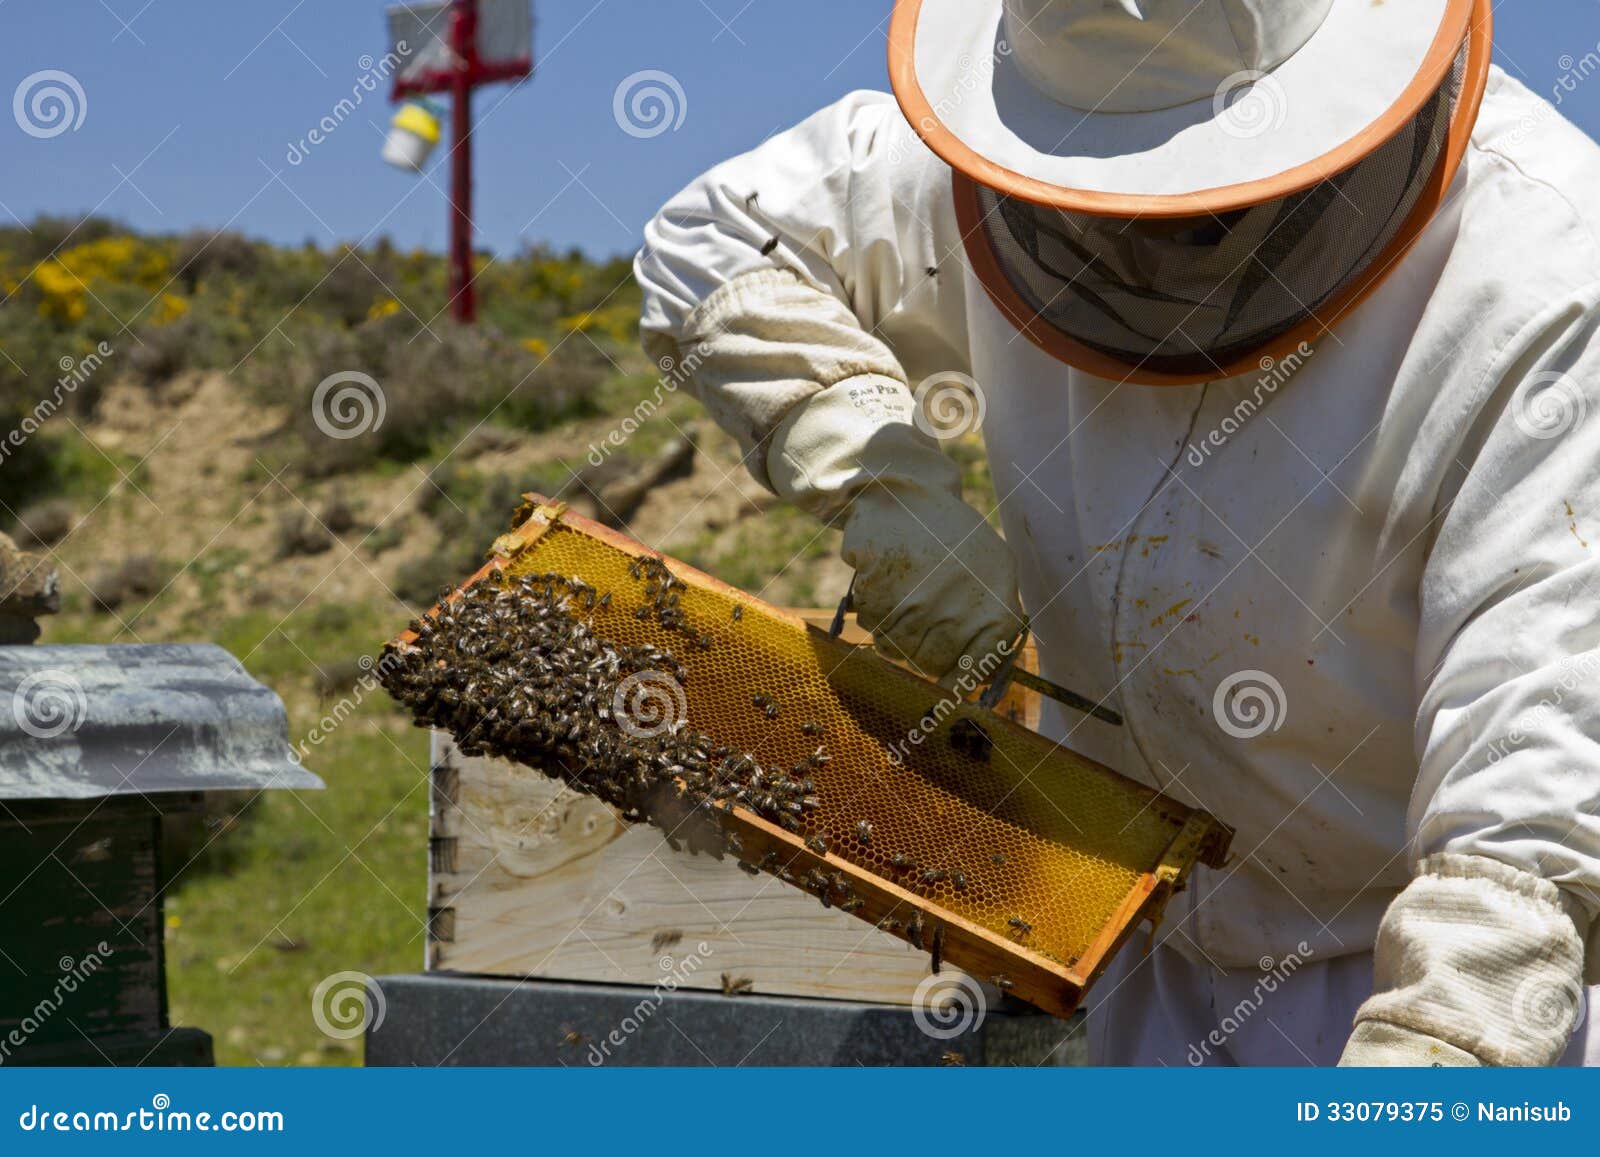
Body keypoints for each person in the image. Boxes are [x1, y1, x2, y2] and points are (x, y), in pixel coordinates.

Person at [634, 0, 1600, 1065]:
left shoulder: (1545, 275)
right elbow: (715, 242)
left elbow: (1531, 819)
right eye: (1103, 188)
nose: (1137, 245)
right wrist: (883, 485)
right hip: (1143, 951)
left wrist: (1432, 1057)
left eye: (1192, 209)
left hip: (1424, 967)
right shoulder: (1011, 150)